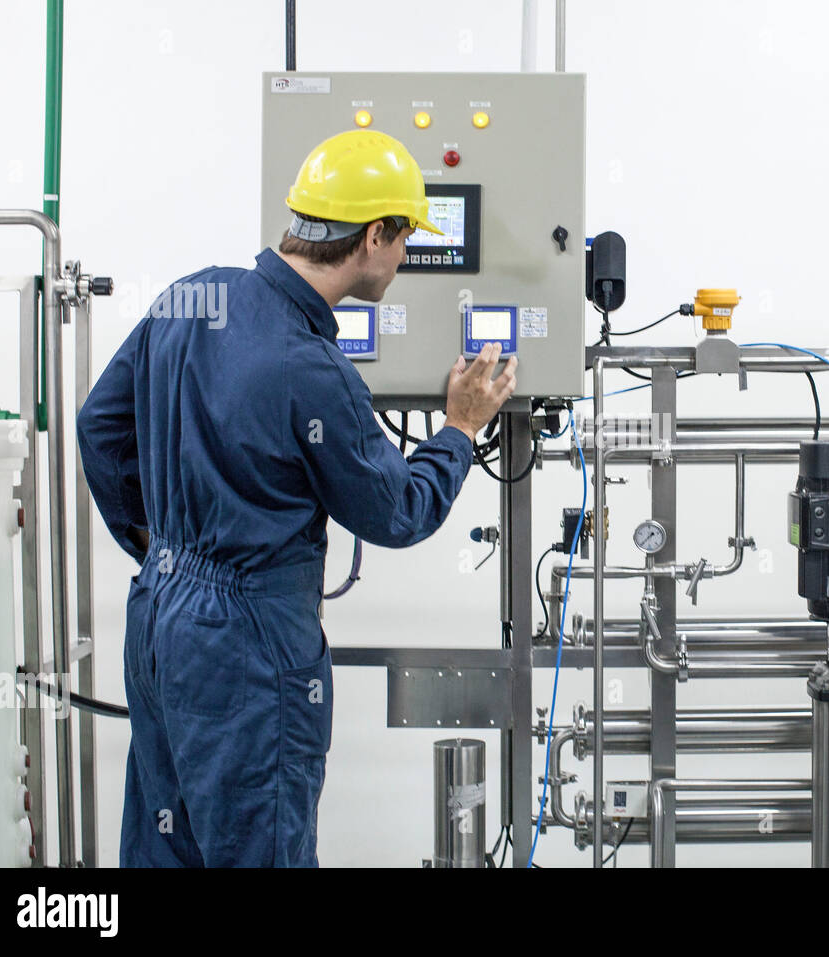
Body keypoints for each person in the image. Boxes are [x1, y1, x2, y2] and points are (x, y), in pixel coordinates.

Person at [76, 129, 516, 866]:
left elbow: (99, 427)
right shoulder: (310, 366)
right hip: (246, 644)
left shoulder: (194, 295)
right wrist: (460, 428)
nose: (407, 259)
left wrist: (162, 551)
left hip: (159, 617)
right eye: (405, 239)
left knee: (167, 844)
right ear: (374, 235)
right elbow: (398, 511)